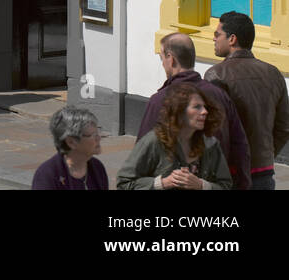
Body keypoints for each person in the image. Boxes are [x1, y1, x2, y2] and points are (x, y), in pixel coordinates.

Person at [138, 32, 249, 190]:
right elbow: (240, 146)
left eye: (162, 57)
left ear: (171, 58)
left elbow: (143, 156)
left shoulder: (160, 100)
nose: (162, 63)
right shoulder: (219, 95)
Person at [204, 10, 289, 190]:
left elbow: (212, 128)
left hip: (231, 173)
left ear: (232, 39)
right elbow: (283, 126)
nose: (214, 39)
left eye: (217, 34)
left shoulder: (216, 74)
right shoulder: (273, 73)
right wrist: (266, 154)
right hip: (264, 170)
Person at [116, 86, 232, 190]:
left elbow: (226, 184)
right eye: (197, 107)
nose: (205, 112)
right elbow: (124, 182)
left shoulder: (210, 145)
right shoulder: (154, 141)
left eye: (205, 107)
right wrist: (163, 183)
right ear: (179, 112)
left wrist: (201, 185)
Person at [32, 107, 108, 190]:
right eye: (93, 135)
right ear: (71, 142)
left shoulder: (97, 167)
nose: (99, 138)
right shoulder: (47, 175)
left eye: (97, 132)